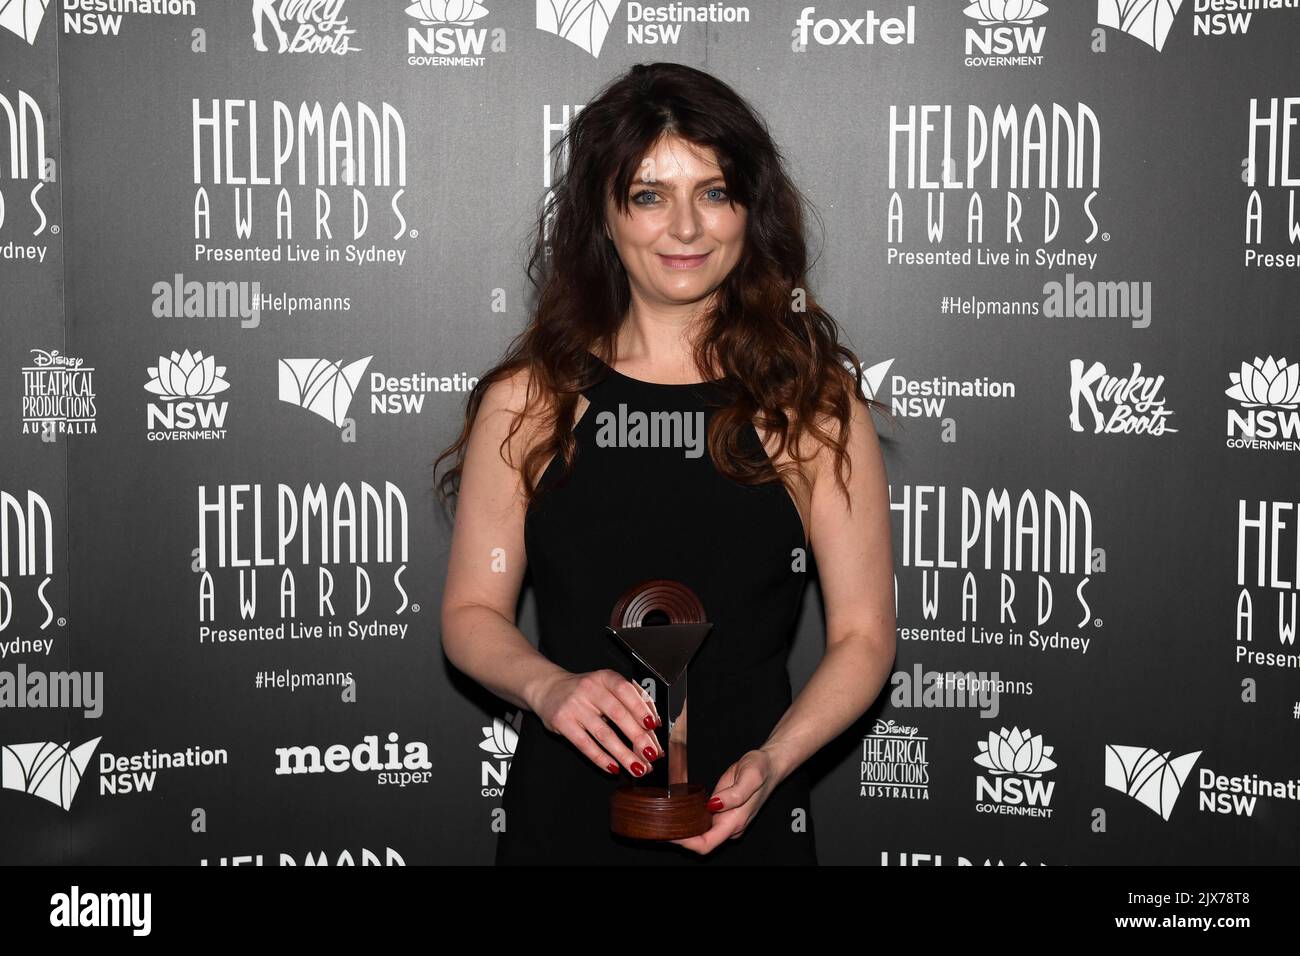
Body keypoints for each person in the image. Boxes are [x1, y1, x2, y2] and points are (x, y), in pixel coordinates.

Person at [435, 62, 896, 865]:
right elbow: (471, 614)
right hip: (566, 825)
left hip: (745, 818)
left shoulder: (810, 406)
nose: (686, 228)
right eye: (649, 195)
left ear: (750, 210)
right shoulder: (532, 399)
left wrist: (775, 762)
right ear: (604, 218)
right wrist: (549, 688)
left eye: (713, 192)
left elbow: (861, 635)